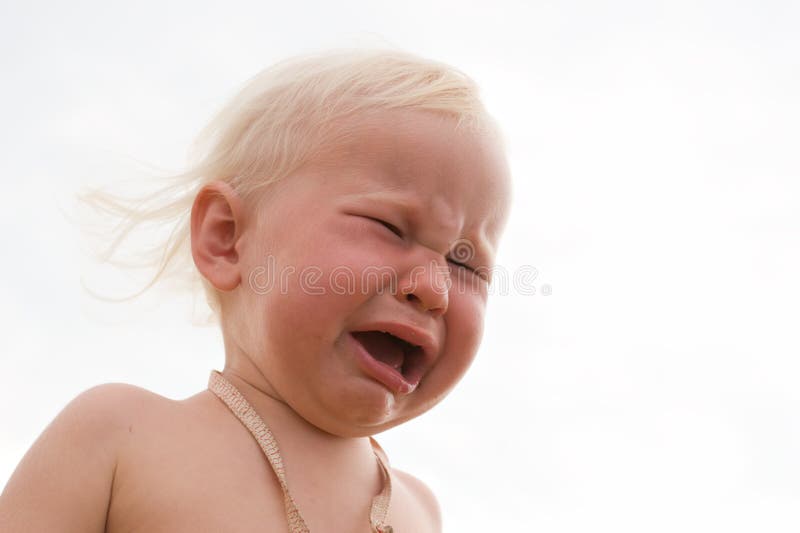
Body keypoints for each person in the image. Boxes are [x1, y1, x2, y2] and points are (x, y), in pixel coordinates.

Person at [0, 48, 512, 532]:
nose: (433, 289)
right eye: (388, 226)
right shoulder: (121, 437)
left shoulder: (418, 509)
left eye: (466, 264)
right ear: (227, 239)